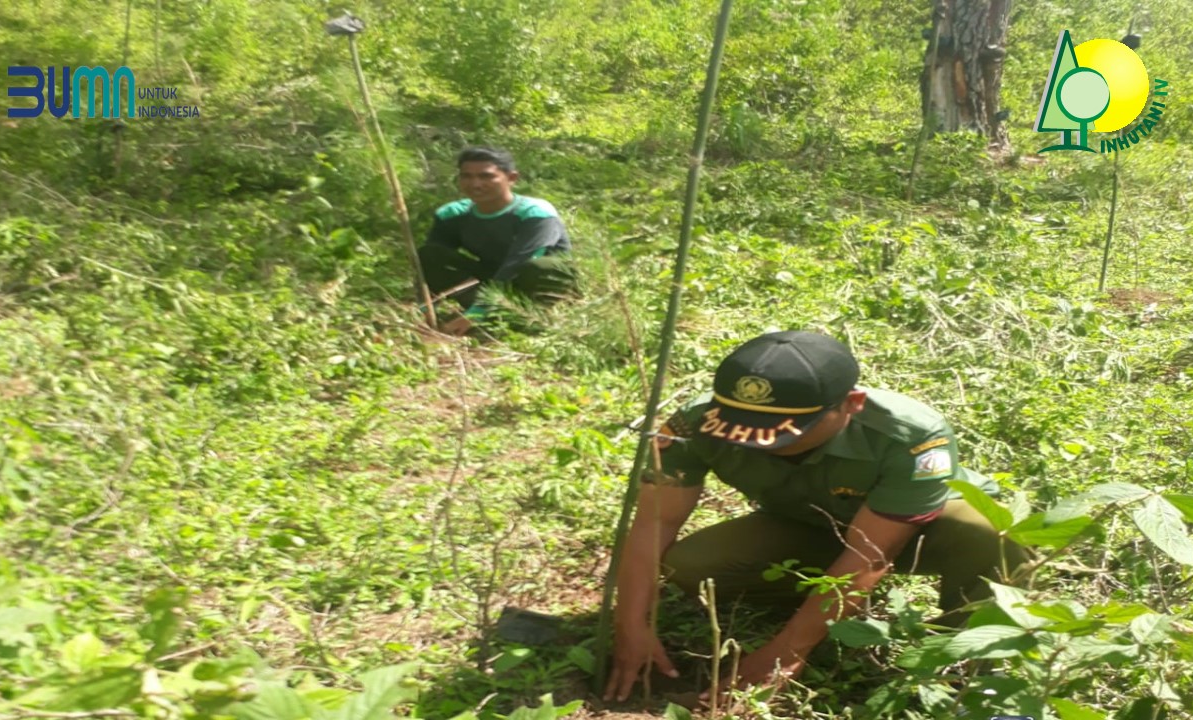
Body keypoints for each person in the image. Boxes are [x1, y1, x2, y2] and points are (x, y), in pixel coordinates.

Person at [605, 330, 1033, 701]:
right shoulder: (694, 423)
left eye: (785, 431)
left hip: (920, 530)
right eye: (745, 427)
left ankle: (976, 659)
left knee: (991, 534)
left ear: (852, 404)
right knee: (692, 564)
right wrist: (629, 622)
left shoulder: (910, 435)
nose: (759, 444)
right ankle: (823, 608)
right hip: (809, 523)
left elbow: (871, 556)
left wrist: (785, 654)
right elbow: (654, 523)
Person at [417, 147, 576, 336]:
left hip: (536, 282)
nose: (475, 184)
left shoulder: (535, 214)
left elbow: (519, 263)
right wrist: (426, 306)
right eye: (467, 176)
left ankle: (532, 317)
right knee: (430, 253)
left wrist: (477, 313)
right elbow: (431, 261)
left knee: (541, 266)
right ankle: (495, 312)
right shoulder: (454, 214)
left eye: (486, 177)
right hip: (494, 277)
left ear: (512, 178)